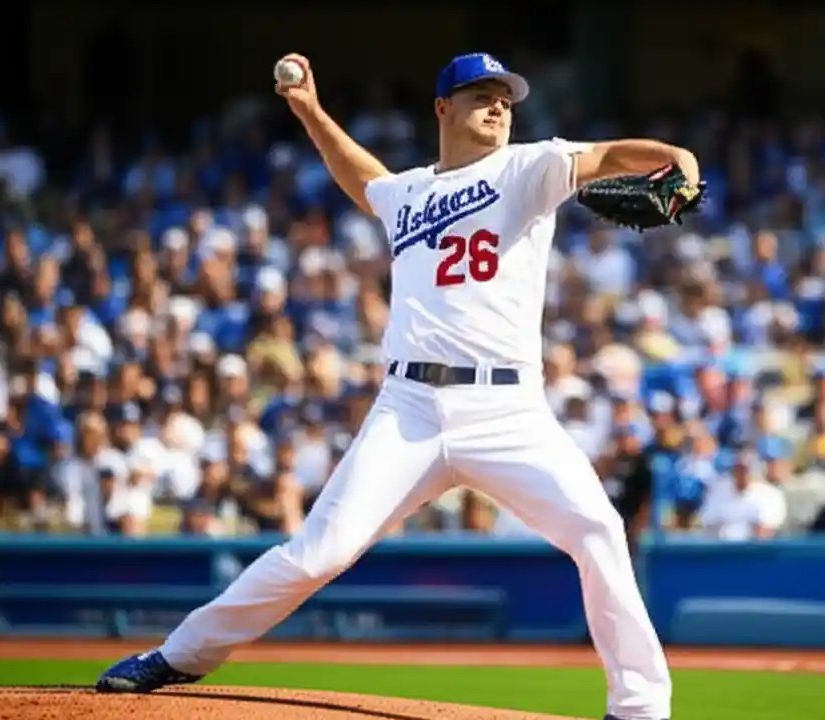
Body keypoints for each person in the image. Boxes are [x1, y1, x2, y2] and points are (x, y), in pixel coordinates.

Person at [95, 51, 698, 720]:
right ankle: (180, 655)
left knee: (597, 529)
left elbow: (612, 154)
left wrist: (677, 156)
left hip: (506, 410)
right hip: (408, 407)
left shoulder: (528, 167)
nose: (499, 105)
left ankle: (640, 708)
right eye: (480, 95)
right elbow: (366, 181)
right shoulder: (407, 193)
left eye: (505, 97)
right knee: (315, 554)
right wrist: (311, 112)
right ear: (443, 108)